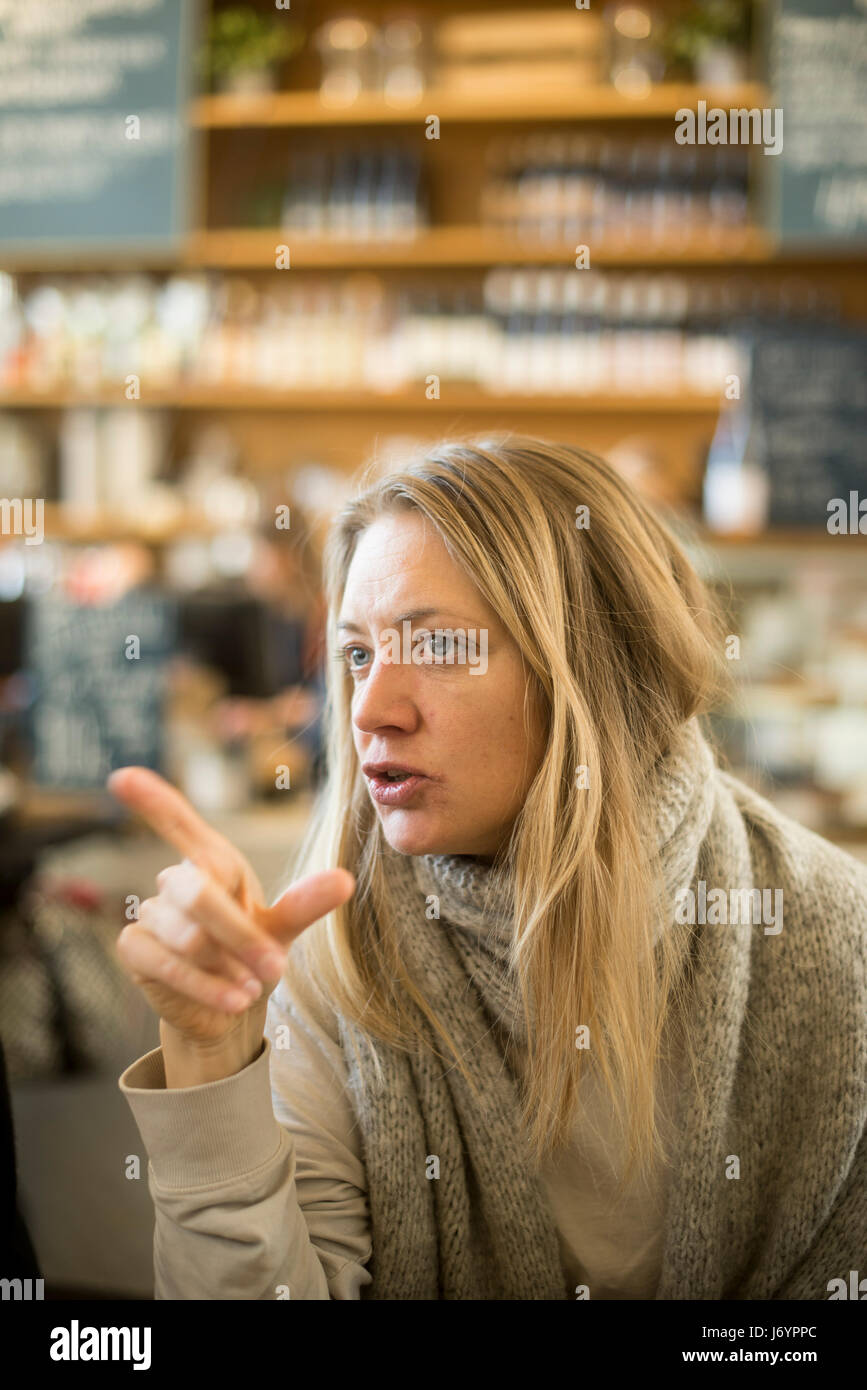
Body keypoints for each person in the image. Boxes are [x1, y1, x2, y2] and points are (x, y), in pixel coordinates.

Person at [110, 434, 867, 1300]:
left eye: (435, 648)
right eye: (357, 654)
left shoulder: (834, 936)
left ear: (595, 670)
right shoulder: (333, 951)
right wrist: (210, 1057)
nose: (371, 710)